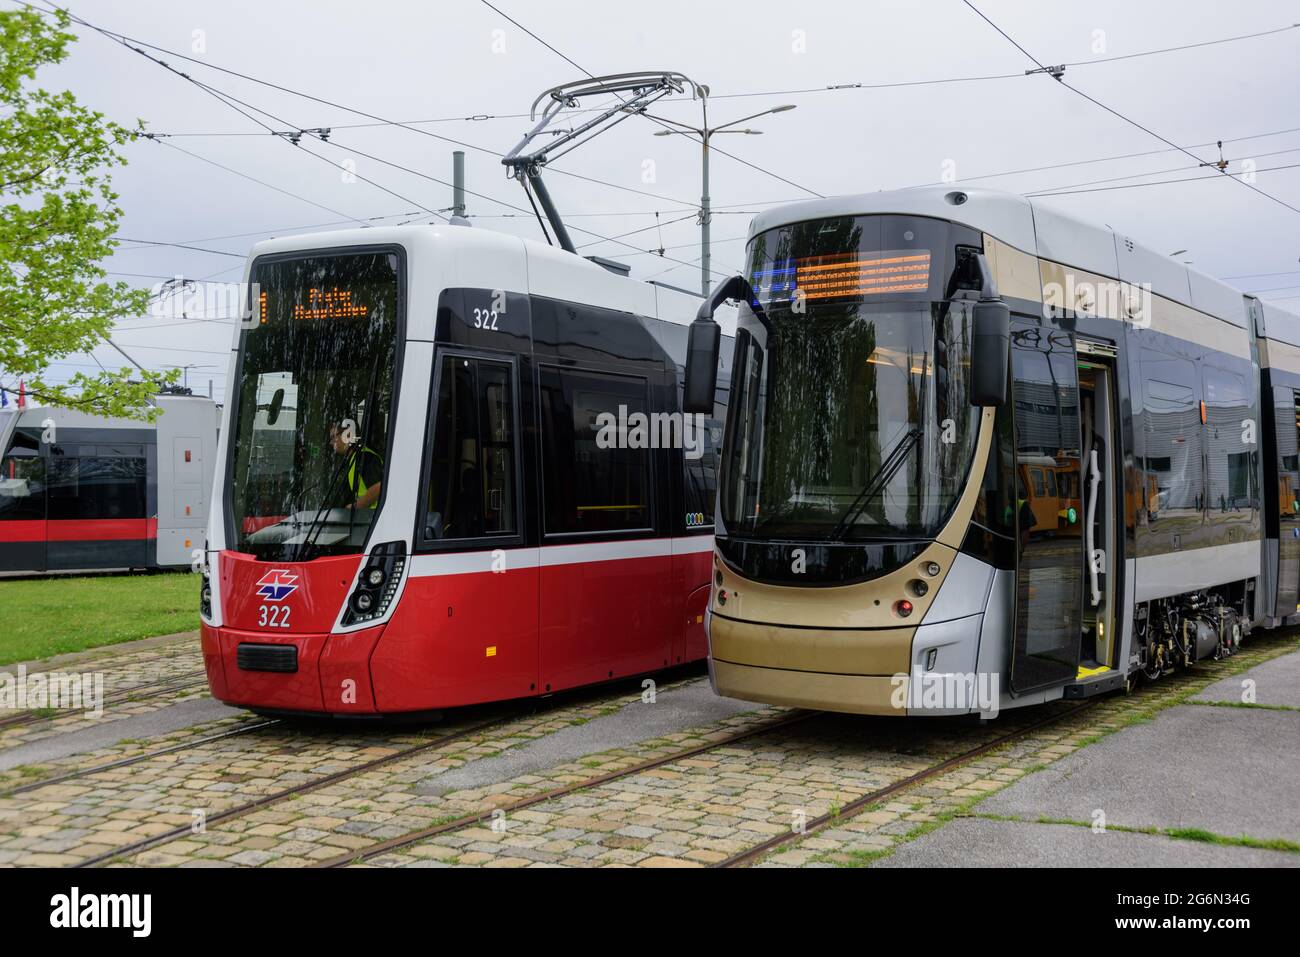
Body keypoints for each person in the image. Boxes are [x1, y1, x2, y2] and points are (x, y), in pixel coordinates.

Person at [328, 422, 383, 510]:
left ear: (348, 435)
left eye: (333, 437)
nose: (331, 442)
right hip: (365, 519)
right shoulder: (352, 459)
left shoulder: (364, 457)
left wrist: (356, 506)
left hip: (373, 519)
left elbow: (380, 486)